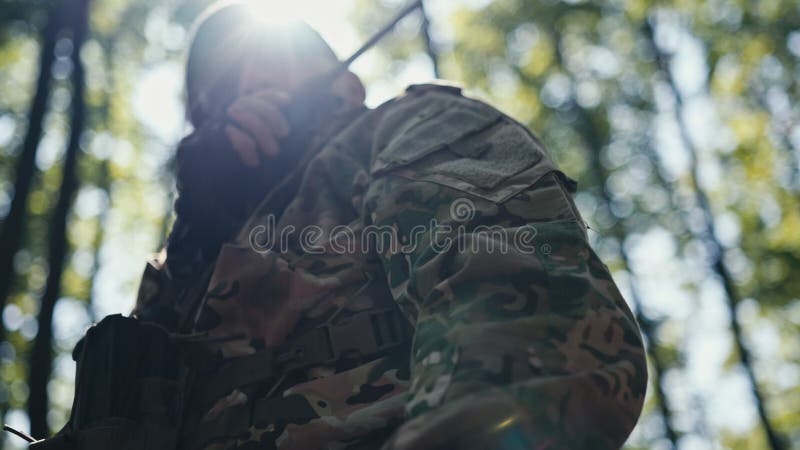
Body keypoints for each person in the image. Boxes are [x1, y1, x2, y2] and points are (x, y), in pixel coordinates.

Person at [131, 2, 648, 449]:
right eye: (220, 86)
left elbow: (532, 340)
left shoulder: (407, 129)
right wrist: (195, 238)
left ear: (348, 84)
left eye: (269, 61)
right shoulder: (178, 269)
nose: (247, 84)